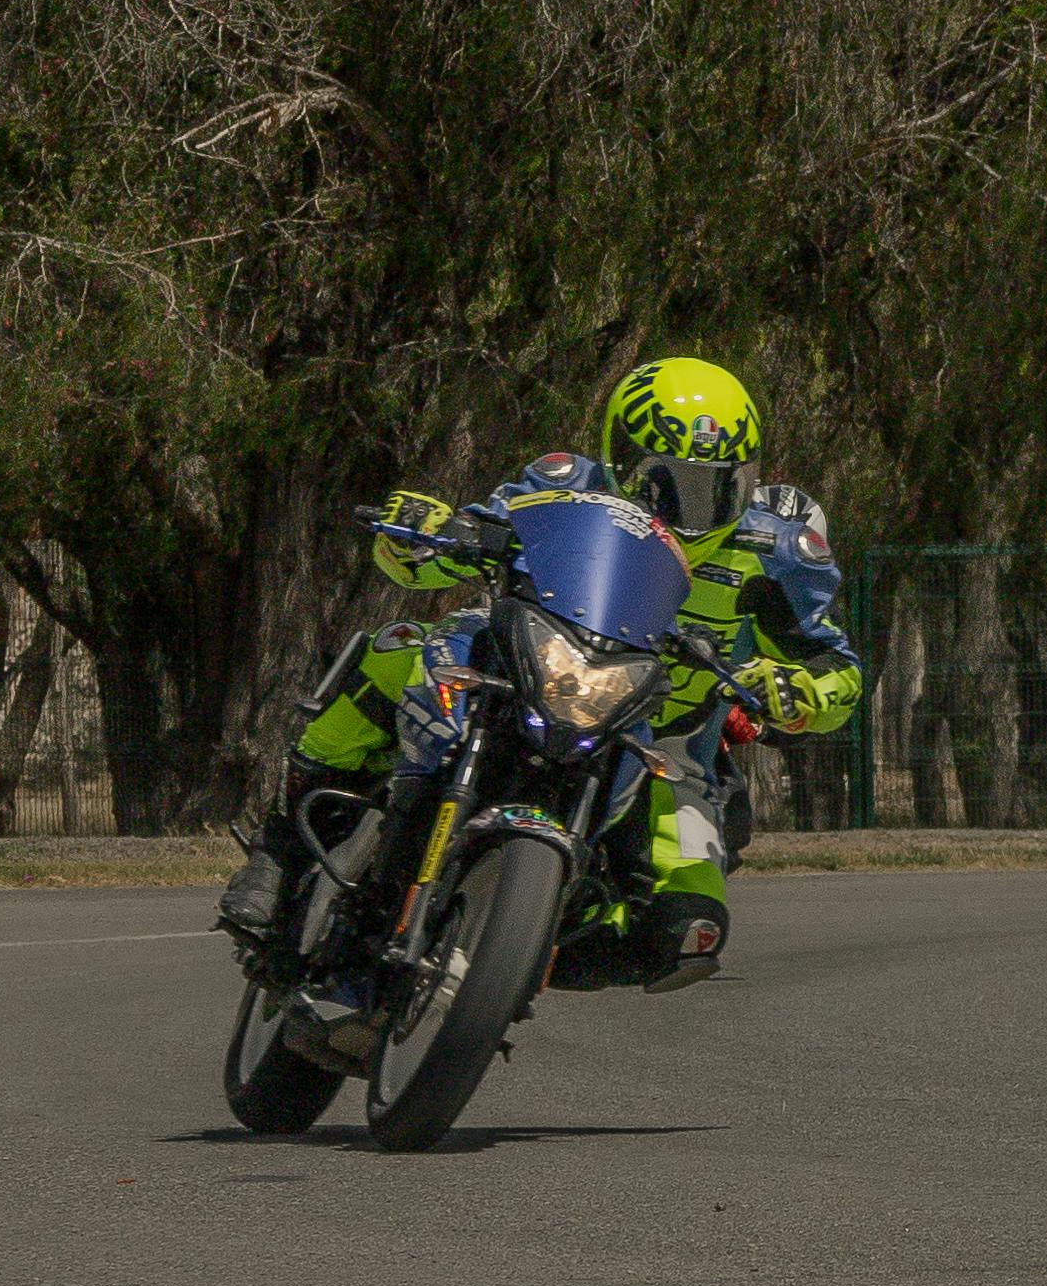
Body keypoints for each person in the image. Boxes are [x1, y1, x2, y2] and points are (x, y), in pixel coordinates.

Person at [227, 355, 862, 1004]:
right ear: (625, 459)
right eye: (674, 485)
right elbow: (452, 544)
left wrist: (800, 690)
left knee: (689, 928)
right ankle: (281, 848)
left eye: (721, 486)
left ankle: (518, 952)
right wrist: (426, 533)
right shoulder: (566, 483)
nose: (698, 508)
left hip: (667, 742)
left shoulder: (774, 550)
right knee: (399, 653)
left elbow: (836, 666)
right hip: (530, 666)